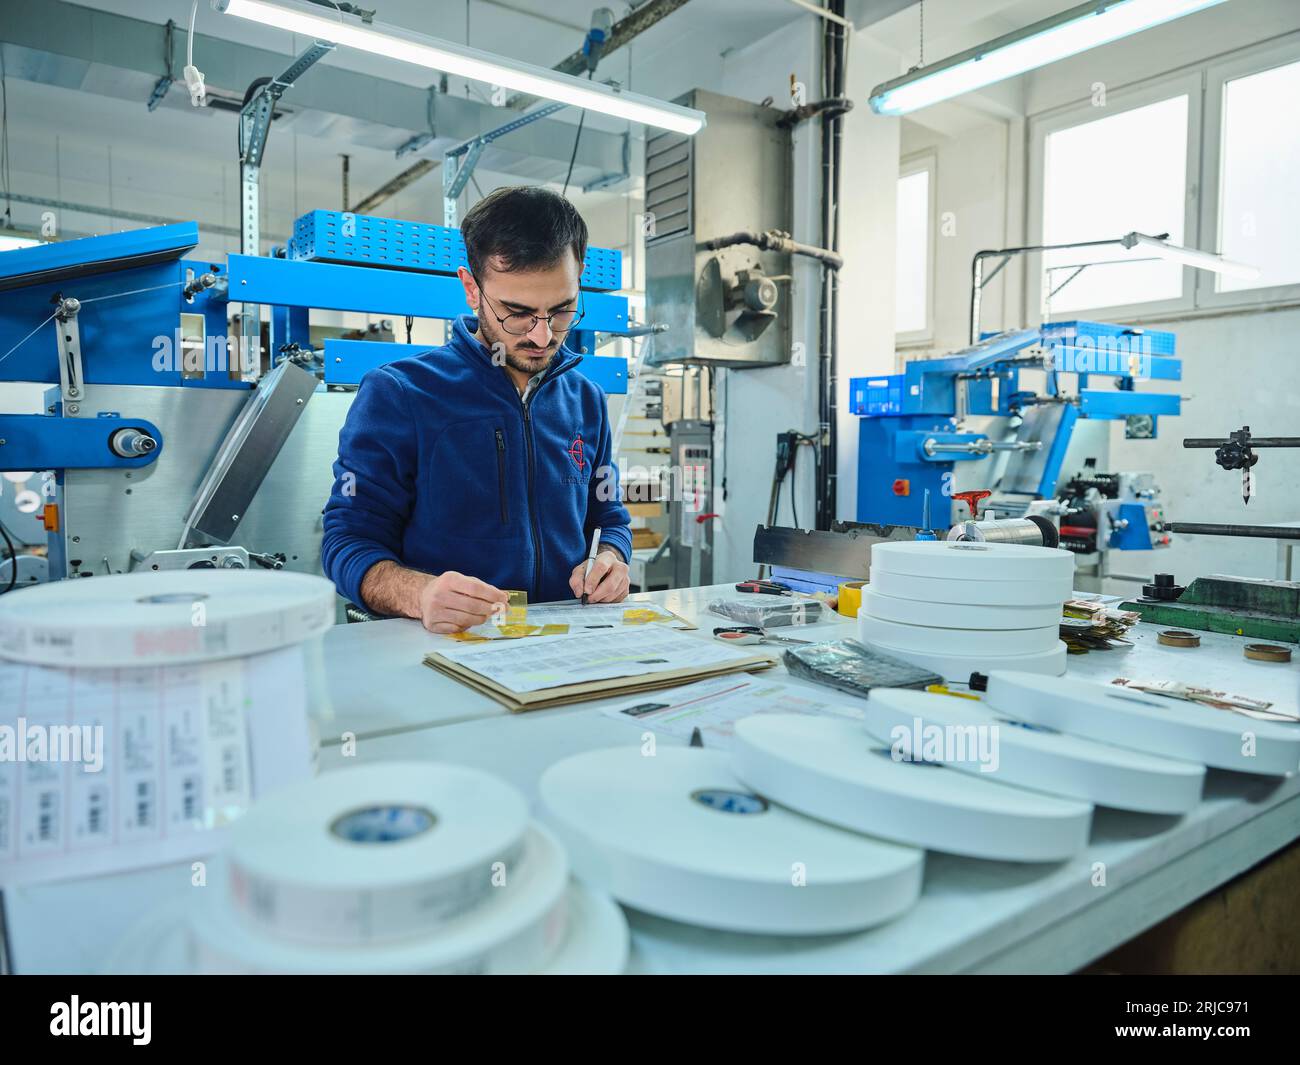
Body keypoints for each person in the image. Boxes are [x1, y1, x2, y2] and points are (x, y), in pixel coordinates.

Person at [321, 186, 632, 633]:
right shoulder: (399, 394)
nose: (542, 336)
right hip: (444, 653)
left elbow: (609, 518)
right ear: (472, 288)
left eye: (561, 310)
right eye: (516, 312)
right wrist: (419, 593)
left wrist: (611, 559)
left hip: (564, 647)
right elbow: (347, 540)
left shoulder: (586, 401)